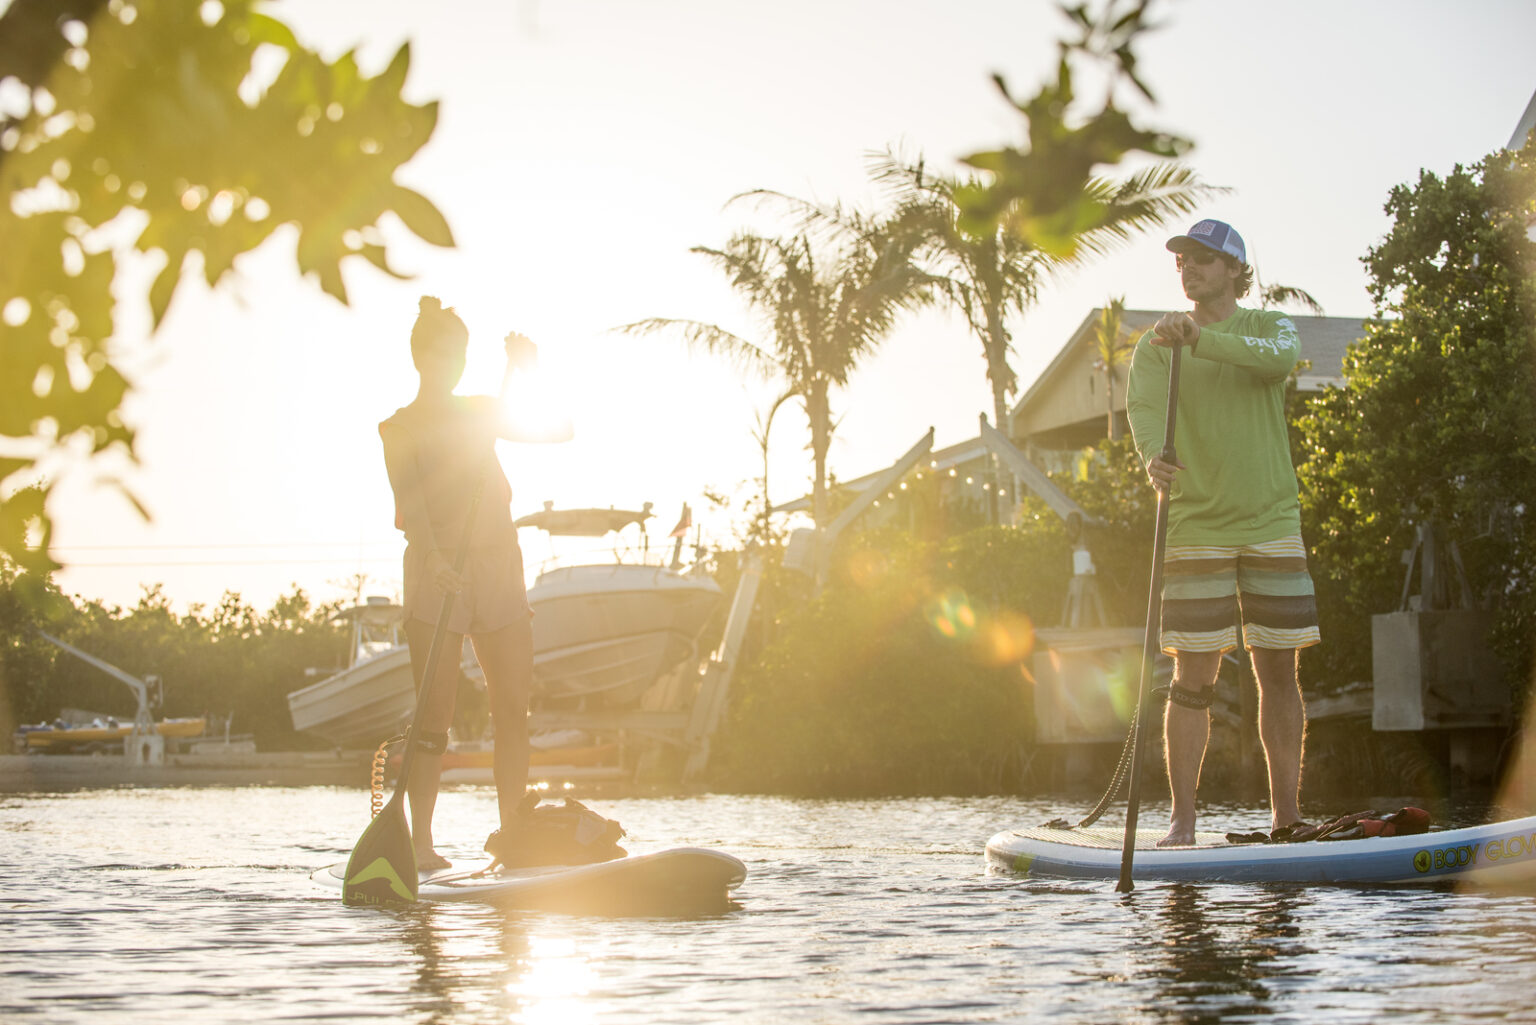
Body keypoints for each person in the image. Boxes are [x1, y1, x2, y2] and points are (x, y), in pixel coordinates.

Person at [1125, 219, 1322, 847]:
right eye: (1183, 258)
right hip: (1195, 523)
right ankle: (1182, 823)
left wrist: (1201, 341)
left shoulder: (1270, 326)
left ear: (1236, 270)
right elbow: (1144, 412)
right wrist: (1153, 457)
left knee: (1279, 671)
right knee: (1193, 677)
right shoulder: (1156, 346)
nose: (1190, 267)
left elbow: (1278, 362)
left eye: (1205, 259)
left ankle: (1286, 817)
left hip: (1272, 521)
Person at [379, 296, 568, 870]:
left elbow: (561, 429)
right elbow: (411, 504)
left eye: (461, 354)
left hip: (498, 567)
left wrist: (530, 373)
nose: (455, 365)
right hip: (435, 569)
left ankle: (514, 835)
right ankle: (421, 845)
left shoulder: (485, 412)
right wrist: (435, 559)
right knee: (434, 720)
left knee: (512, 710)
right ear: (419, 357)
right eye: (445, 354)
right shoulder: (399, 427)